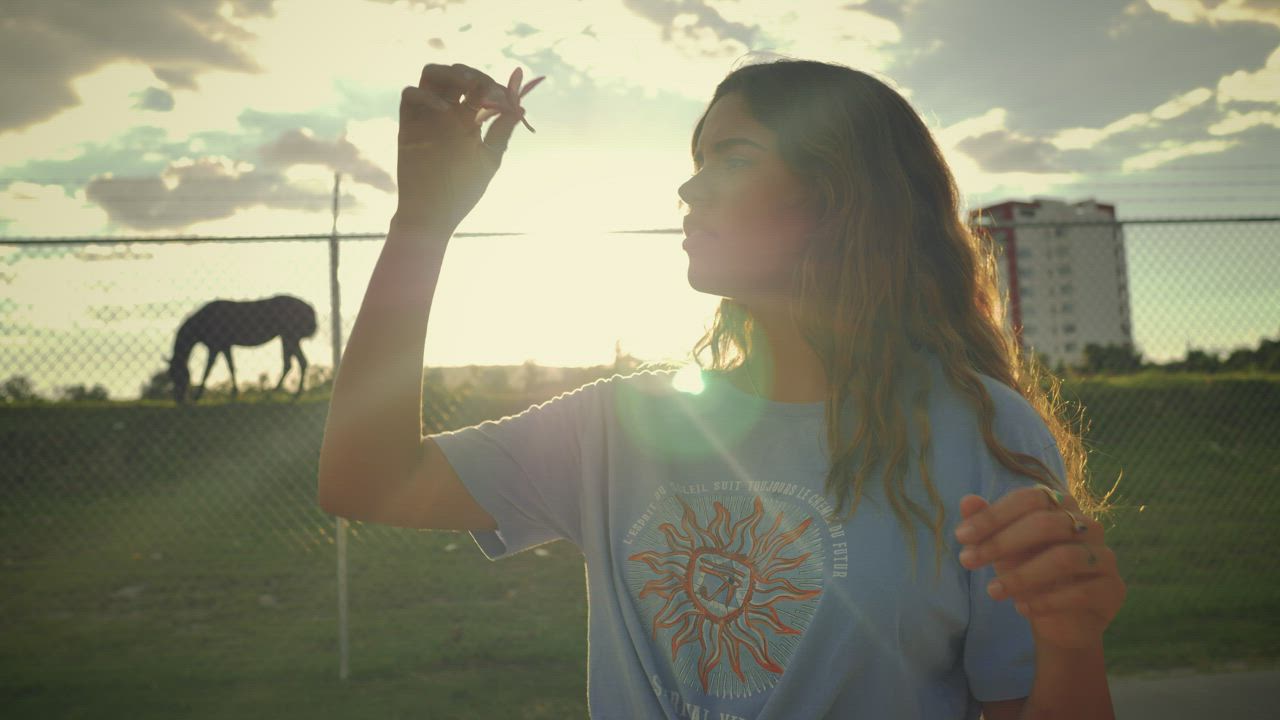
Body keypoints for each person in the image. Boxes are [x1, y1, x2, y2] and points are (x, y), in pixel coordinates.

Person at [318, 58, 1126, 719]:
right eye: (697, 161)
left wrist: (1070, 641)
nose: (690, 189)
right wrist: (421, 223)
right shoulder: (619, 425)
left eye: (733, 157)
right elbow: (366, 479)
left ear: (844, 191)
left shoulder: (981, 434)